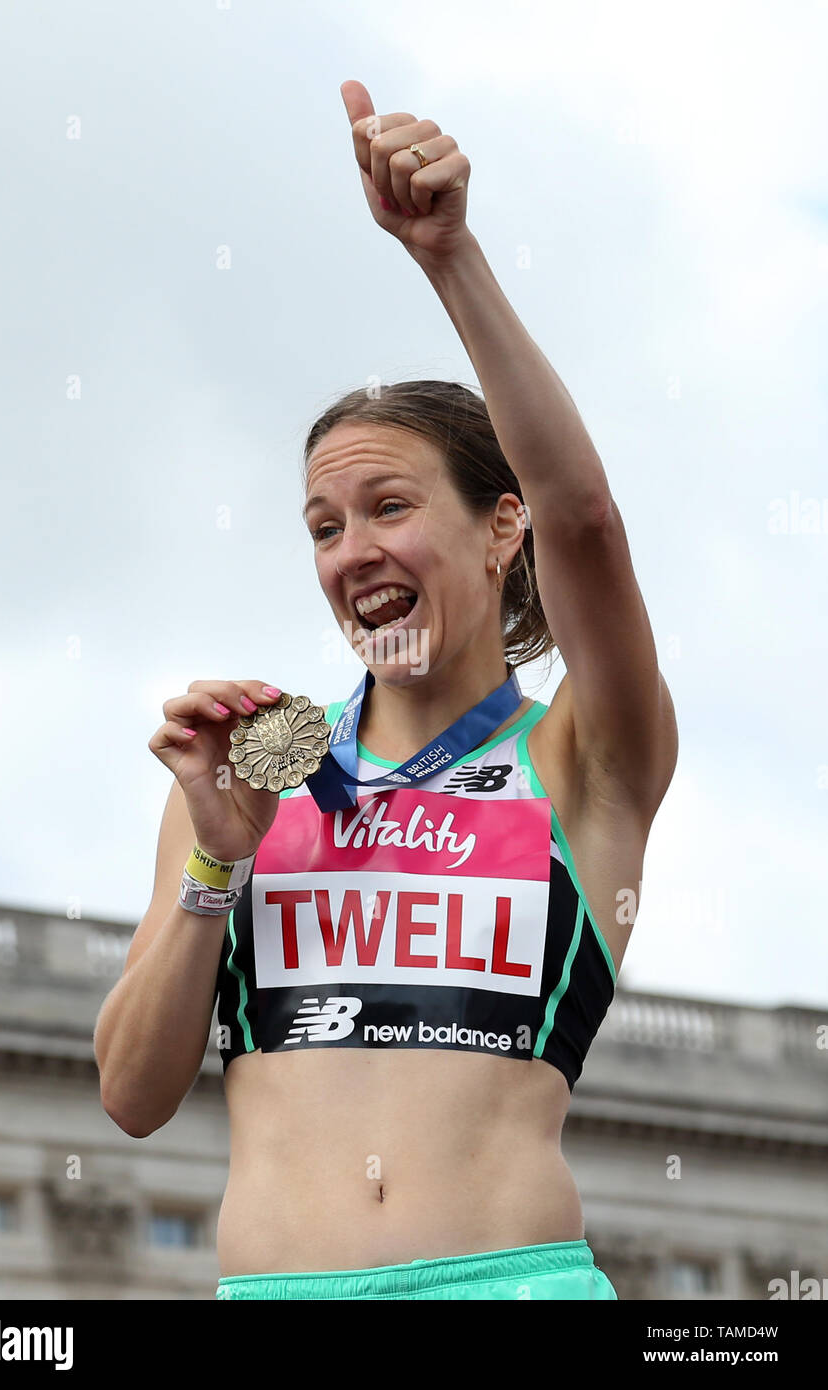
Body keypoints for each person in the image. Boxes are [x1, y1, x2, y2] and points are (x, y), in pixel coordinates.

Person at [94, 80, 678, 1301]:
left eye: (390, 507)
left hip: (510, 1282)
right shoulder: (256, 765)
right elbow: (134, 1097)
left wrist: (448, 256)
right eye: (322, 525)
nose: (351, 549)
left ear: (499, 527)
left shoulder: (582, 753)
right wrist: (216, 861)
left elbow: (589, 519)